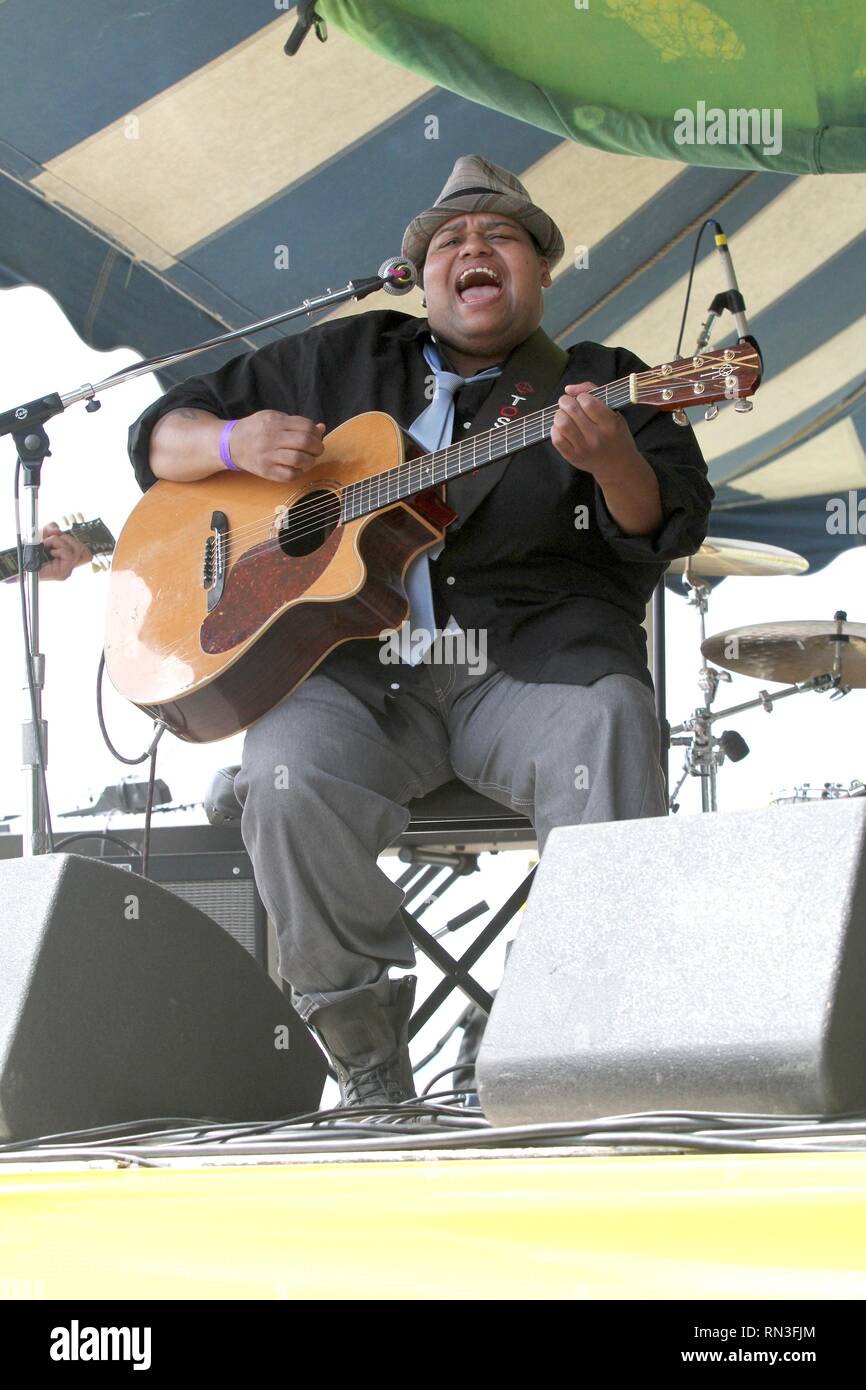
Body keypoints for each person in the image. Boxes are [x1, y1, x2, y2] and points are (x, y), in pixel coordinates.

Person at [127, 155, 714, 1110]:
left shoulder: (609, 382)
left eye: (502, 236)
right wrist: (234, 445)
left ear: (541, 271)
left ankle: (584, 1031)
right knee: (283, 771)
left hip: (528, 673)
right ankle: (368, 1064)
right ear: (423, 278)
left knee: (610, 719)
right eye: (450, 241)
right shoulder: (343, 358)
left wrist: (611, 467)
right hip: (359, 680)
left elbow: (664, 524)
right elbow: (157, 438)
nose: (474, 248)